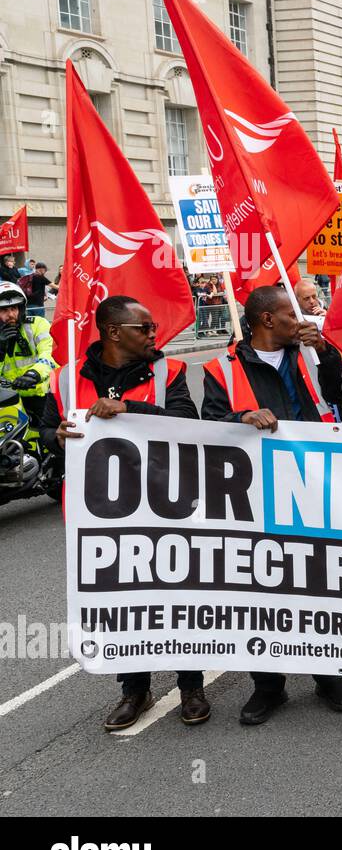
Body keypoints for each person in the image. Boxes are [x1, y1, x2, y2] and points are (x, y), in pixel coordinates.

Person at [201, 285, 342, 725]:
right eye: (291, 313)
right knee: (260, 591)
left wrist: (329, 358)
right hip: (255, 497)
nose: (303, 319)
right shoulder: (224, 368)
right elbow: (206, 428)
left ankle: (327, 671)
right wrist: (241, 419)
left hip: (314, 487)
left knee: (320, 585)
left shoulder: (314, 355)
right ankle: (268, 686)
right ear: (267, 320)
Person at [44, 296, 207, 729]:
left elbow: (186, 422)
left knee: (176, 598)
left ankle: (191, 686)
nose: (154, 334)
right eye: (145, 328)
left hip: (164, 506)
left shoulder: (166, 372)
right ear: (114, 332)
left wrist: (129, 408)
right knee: (122, 603)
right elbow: (46, 428)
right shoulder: (65, 379)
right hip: (100, 515)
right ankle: (134, 690)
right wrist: (55, 434)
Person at [0, 281, 54, 422]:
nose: (11, 314)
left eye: (14, 308)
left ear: (21, 309)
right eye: (4, 310)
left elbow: (48, 354)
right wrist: (1, 348)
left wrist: (33, 374)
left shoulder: (37, 324)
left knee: (48, 439)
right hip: (9, 401)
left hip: (44, 397)